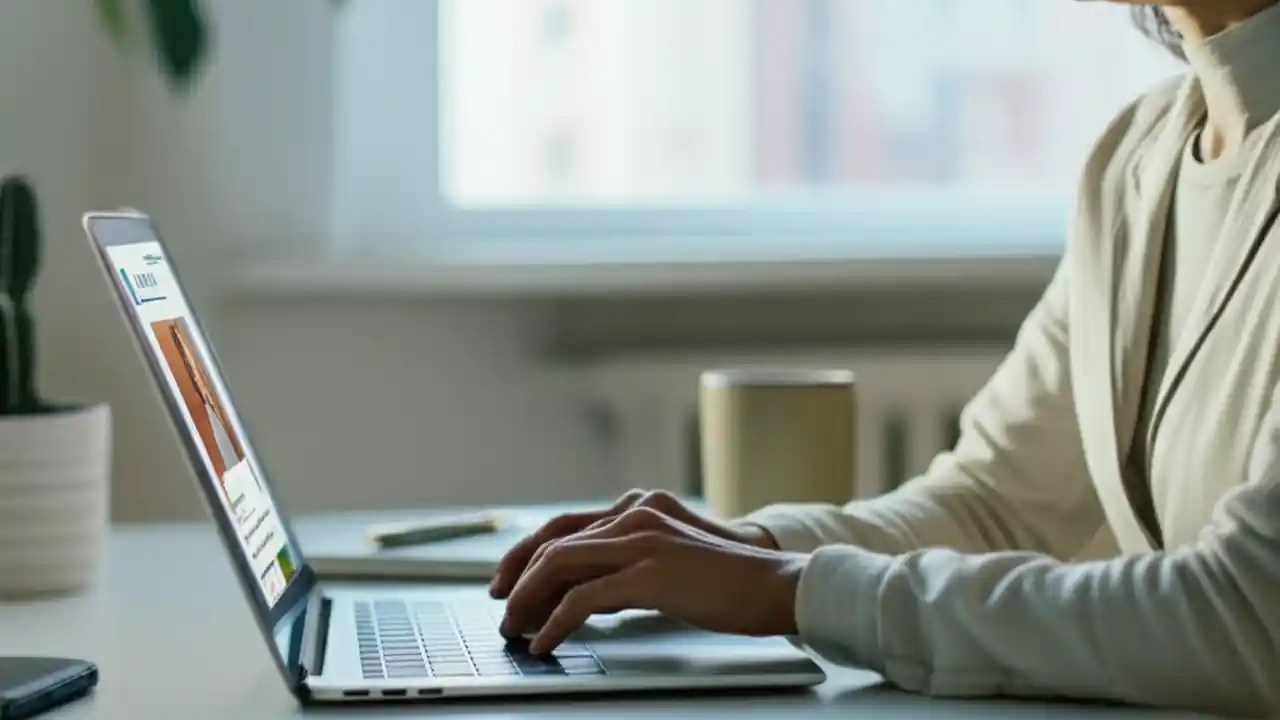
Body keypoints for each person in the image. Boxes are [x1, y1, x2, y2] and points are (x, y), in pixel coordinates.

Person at [491, 1, 1280, 715]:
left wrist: (792, 590)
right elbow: (995, 504)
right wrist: (739, 548)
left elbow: (1250, 617)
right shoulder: (1137, 156)